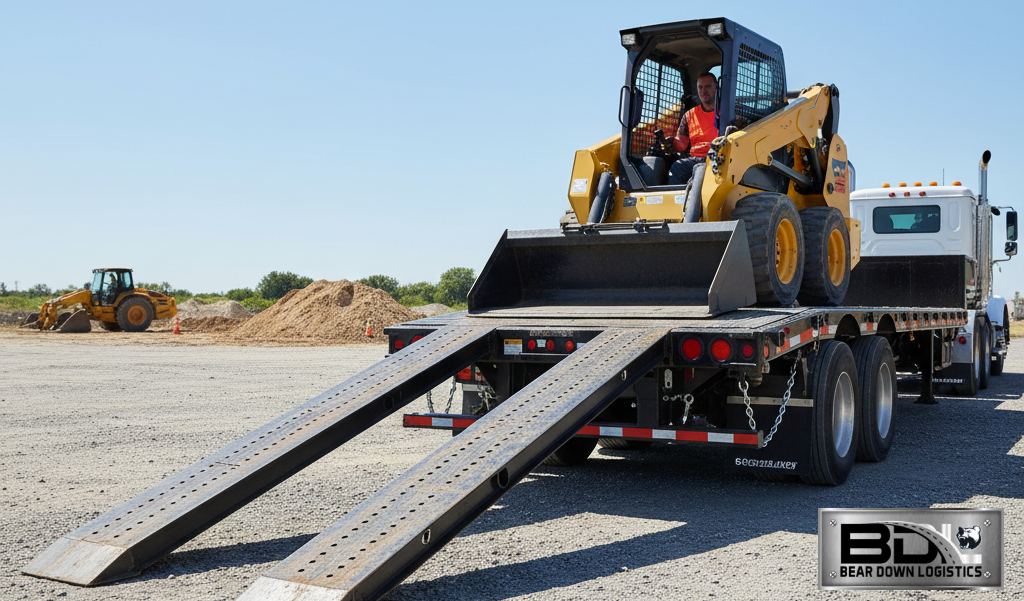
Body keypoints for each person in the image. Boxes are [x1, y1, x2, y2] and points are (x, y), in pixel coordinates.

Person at [668, 72, 719, 186]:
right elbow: (681, 144)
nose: (703, 91)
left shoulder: (726, 112)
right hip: (695, 159)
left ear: (716, 87)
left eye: (708, 86)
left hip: (718, 159)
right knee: (678, 167)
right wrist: (670, 142)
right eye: (700, 87)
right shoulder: (689, 115)